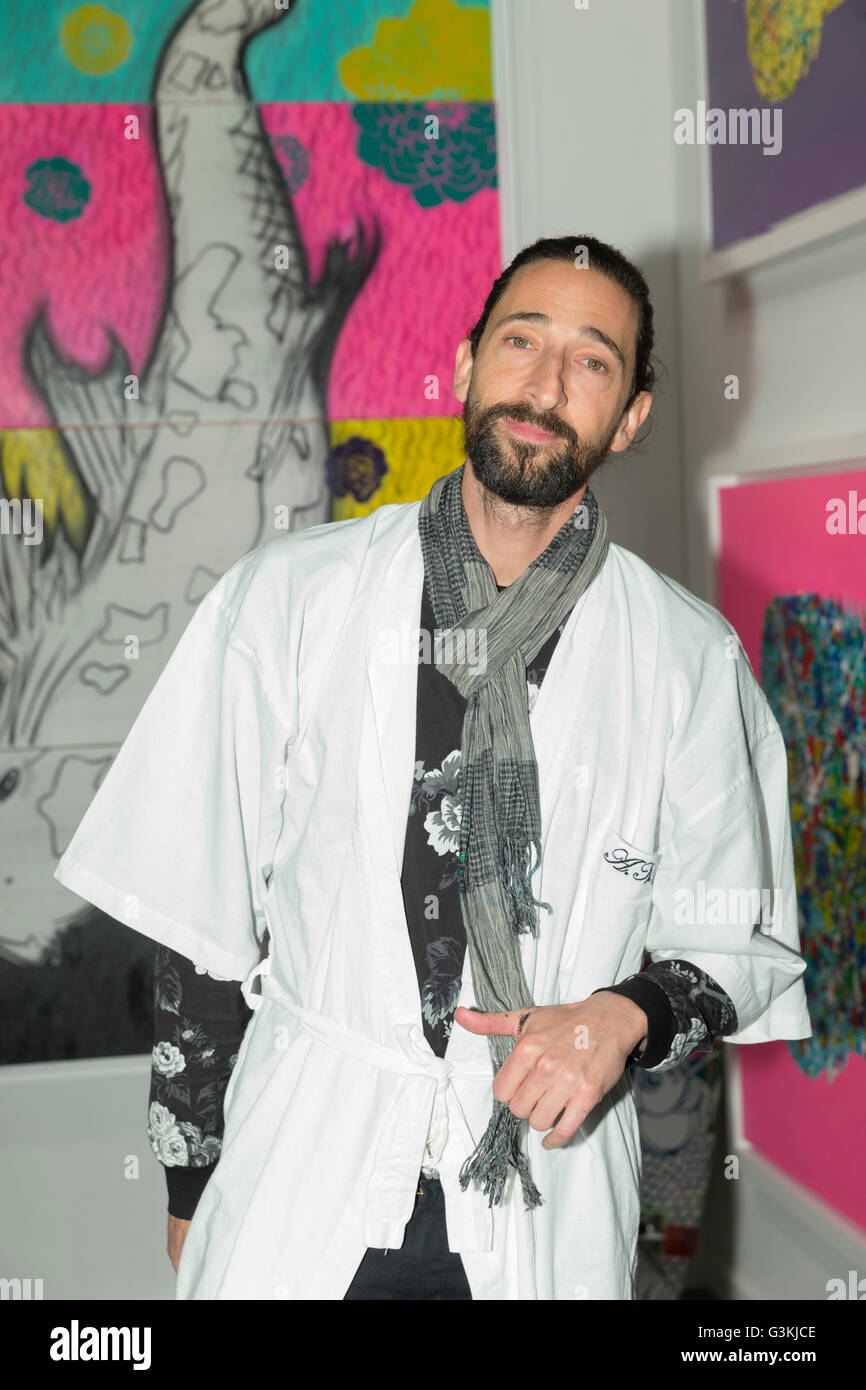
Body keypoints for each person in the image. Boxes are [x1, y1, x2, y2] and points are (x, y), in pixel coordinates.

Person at [54, 234, 811, 1300]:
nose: (544, 385)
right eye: (520, 341)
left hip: (542, 1196)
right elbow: (200, 931)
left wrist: (625, 1013)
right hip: (301, 1177)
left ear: (629, 416)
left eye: (591, 362)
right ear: (464, 366)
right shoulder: (288, 601)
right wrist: (189, 1183)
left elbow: (733, 940)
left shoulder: (687, 659)